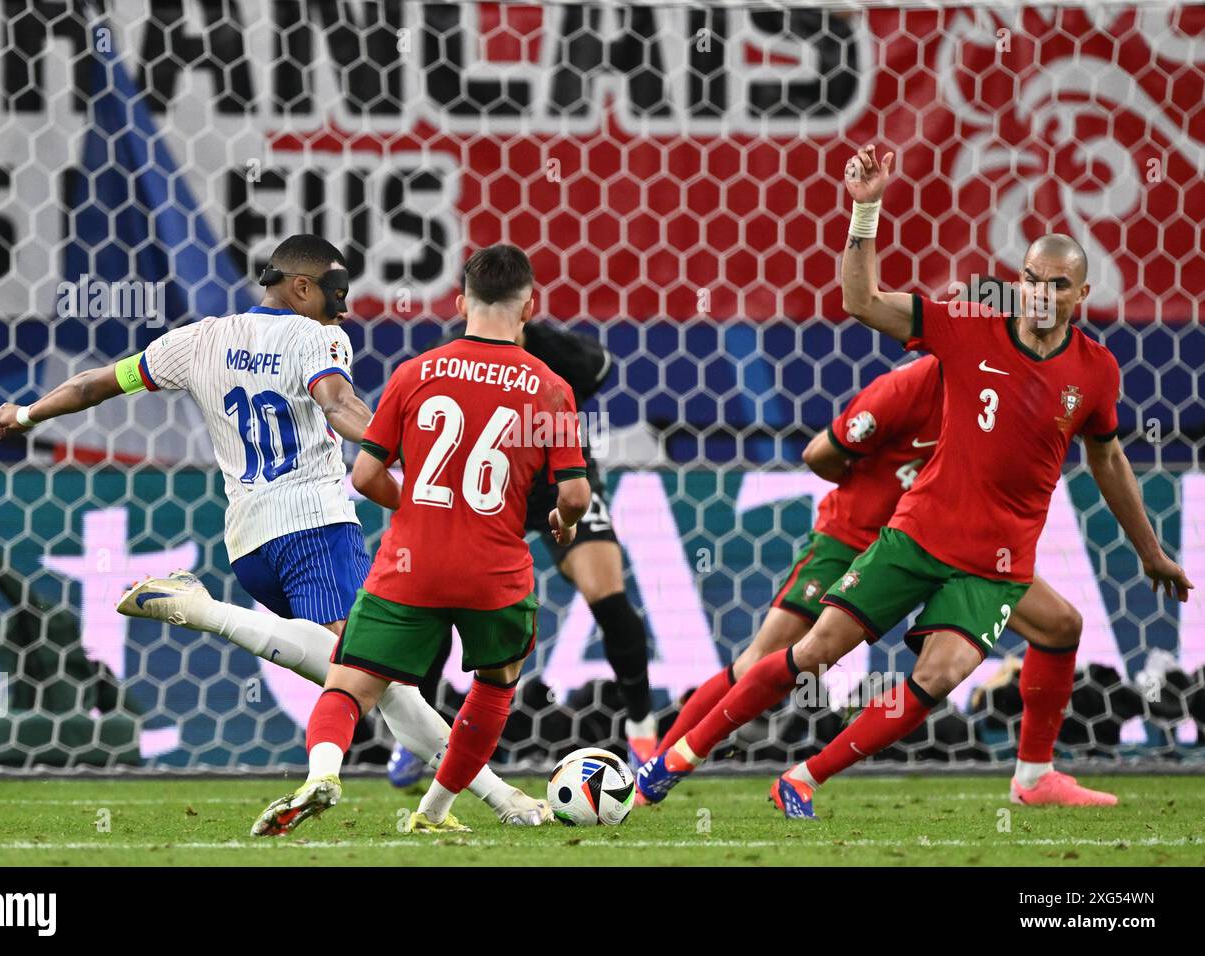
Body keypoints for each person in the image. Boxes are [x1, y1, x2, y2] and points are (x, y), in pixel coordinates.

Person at [638, 145, 1193, 818]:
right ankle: (673, 759)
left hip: (996, 564)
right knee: (810, 652)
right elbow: (861, 300)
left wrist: (1150, 552)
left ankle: (811, 778)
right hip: (917, 536)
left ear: (1080, 294)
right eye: (1030, 279)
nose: (1040, 294)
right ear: (1018, 281)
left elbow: (1108, 460)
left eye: (1055, 285)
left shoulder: (1096, 371)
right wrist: (865, 208)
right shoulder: (967, 330)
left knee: (966, 663)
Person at [0, 234, 550, 826]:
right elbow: (338, 400)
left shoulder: (197, 340)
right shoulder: (315, 337)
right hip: (315, 526)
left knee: (376, 681)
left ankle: (487, 802)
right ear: (301, 287)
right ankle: (200, 610)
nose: (343, 308)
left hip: (250, 542)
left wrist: (25, 413)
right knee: (366, 676)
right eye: (337, 292)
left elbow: (94, 383)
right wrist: (397, 447)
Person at [653, 350, 1115, 806]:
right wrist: (883, 496)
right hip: (861, 538)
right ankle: (656, 765)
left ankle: (1035, 776)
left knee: (1059, 625)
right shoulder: (907, 387)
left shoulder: (1014, 389)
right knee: (777, 657)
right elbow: (821, 455)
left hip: (956, 544)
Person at [251, 244, 591, 836]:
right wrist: (564, 522)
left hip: (411, 563)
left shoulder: (416, 373)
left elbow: (364, 474)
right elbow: (576, 494)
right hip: (495, 570)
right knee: (495, 682)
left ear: (460, 303)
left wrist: (421, 510)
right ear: (528, 307)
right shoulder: (550, 387)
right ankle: (432, 812)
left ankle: (322, 774)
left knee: (350, 682)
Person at [386, 318, 656, 788]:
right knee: (440, 603)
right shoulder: (446, 353)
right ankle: (419, 735)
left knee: (607, 596)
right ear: (465, 306)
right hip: (485, 489)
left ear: (526, 309)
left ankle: (641, 725)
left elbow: (597, 369)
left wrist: (540, 342)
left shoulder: (555, 354)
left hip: (558, 480)